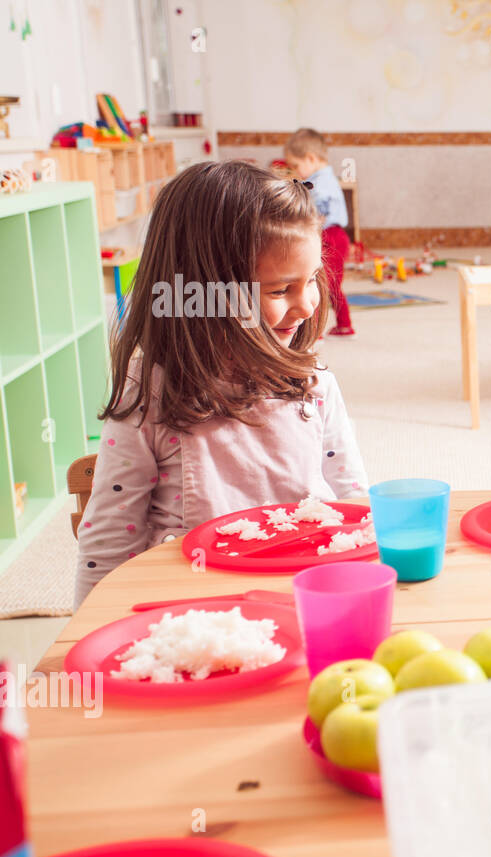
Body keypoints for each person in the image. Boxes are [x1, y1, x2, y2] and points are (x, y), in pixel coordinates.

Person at [74, 161, 367, 607]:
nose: (308, 304)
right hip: (193, 611)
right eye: (279, 290)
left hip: (303, 597)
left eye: (310, 280)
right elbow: (110, 539)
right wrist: (88, 630)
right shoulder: (150, 391)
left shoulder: (314, 382)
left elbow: (353, 502)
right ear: (205, 291)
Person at [284, 127, 353, 336]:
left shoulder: (319, 184)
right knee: (329, 285)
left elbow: (317, 212)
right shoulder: (327, 179)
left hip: (329, 237)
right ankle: (343, 325)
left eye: (296, 165)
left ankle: (314, 330)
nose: (296, 171)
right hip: (334, 236)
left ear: (311, 158)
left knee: (319, 285)